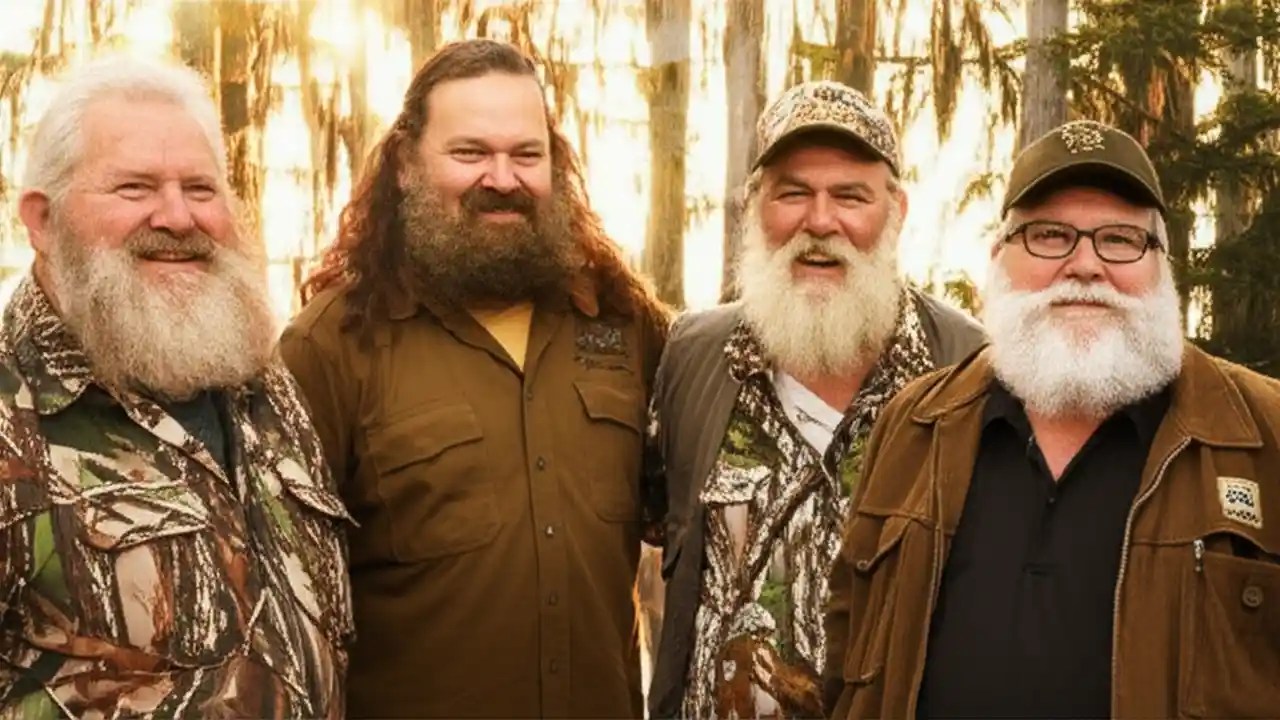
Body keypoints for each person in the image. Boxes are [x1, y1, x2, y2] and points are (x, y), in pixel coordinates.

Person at [825, 119, 1280, 719]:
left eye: (1119, 239)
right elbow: (848, 653)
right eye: (1049, 235)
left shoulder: (1263, 435)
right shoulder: (913, 424)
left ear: (1162, 265)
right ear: (999, 257)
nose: (1085, 265)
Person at [279, 39, 670, 719]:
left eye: (526, 154)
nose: (503, 178)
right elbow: (283, 611)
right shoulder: (330, 348)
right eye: (470, 153)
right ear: (404, 165)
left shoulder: (624, 325)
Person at [0, 55, 353, 718]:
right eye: (134, 188)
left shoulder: (263, 387)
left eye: (201, 188)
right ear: (42, 220)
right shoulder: (11, 417)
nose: (177, 217)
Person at [645, 80, 986, 719]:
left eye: (850, 196)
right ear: (755, 208)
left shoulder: (969, 369)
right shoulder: (694, 356)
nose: (820, 221)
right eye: (793, 193)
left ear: (897, 210)